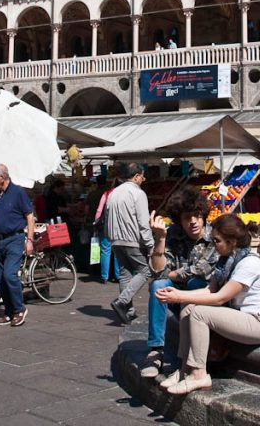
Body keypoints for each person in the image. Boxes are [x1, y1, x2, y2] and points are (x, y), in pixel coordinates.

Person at [155, 214, 260, 395]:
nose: (213, 245)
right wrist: (179, 296)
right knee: (189, 307)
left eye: (217, 241)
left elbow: (220, 298)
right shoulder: (225, 262)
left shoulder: (249, 263)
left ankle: (199, 374)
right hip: (244, 317)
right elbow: (209, 291)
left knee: (199, 313)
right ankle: (185, 369)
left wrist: (179, 296)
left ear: (232, 241)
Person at [141, 189, 216, 378]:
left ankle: (191, 352)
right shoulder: (173, 234)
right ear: (179, 220)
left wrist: (173, 274)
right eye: (187, 217)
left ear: (203, 215)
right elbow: (158, 271)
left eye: (197, 216)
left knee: (194, 283)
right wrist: (160, 238)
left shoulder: (214, 235)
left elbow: (202, 269)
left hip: (202, 298)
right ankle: (156, 350)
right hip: (177, 296)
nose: (193, 221)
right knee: (158, 285)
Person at [105, 161, 153, 325]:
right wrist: (150, 244)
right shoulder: (138, 194)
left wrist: (110, 236)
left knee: (125, 272)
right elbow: (143, 222)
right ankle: (121, 301)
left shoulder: (113, 193)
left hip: (116, 239)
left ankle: (128, 311)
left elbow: (107, 217)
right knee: (145, 270)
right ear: (137, 176)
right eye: (142, 176)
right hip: (132, 239)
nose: (143, 179)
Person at [0, 163, 35, 327]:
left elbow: (30, 216)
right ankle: (8, 312)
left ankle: (19, 309)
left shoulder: (18, 192)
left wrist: (29, 240)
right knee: (0, 279)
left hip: (14, 239)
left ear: (2, 177)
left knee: (9, 275)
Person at [92, 177, 121, 283]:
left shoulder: (107, 193)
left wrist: (96, 222)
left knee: (105, 251)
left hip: (106, 227)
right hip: (119, 227)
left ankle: (104, 277)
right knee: (118, 252)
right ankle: (118, 276)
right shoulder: (124, 194)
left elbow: (99, 210)